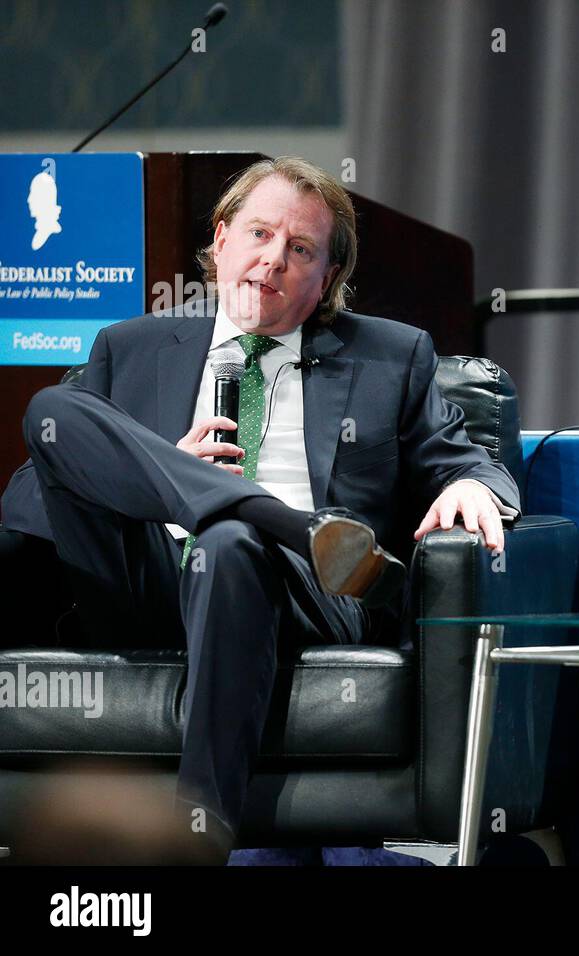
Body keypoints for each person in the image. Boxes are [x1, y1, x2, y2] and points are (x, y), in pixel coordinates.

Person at [0, 156, 520, 863]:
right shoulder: (130, 349)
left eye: (300, 248)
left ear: (328, 278)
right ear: (221, 242)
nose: (273, 259)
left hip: (310, 588)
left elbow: (465, 459)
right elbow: (32, 496)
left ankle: (200, 834)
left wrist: (474, 486)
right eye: (259, 234)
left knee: (230, 542)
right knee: (53, 408)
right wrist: (159, 474)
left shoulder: (391, 358)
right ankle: (285, 522)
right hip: (149, 578)